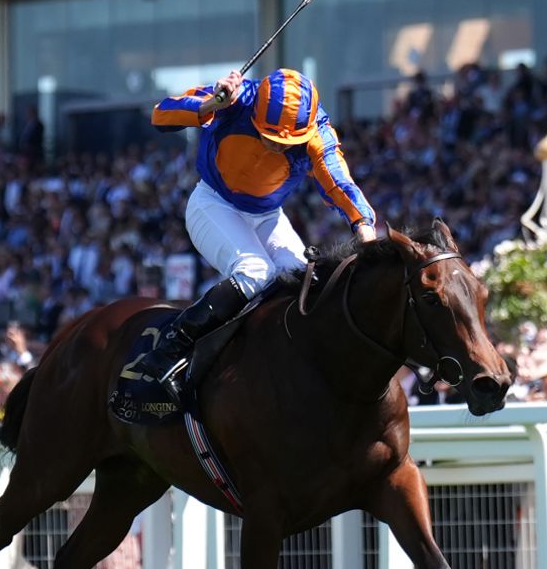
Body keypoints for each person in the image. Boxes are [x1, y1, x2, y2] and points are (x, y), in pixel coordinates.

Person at [121, 68, 382, 406]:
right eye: (268, 136)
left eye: (285, 142)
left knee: (304, 282)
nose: (275, 146)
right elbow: (161, 113)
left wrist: (364, 227)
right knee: (255, 272)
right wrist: (211, 104)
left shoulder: (318, 132)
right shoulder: (239, 96)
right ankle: (170, 352)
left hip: (267, 216)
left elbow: (339, 181)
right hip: (212, 203)